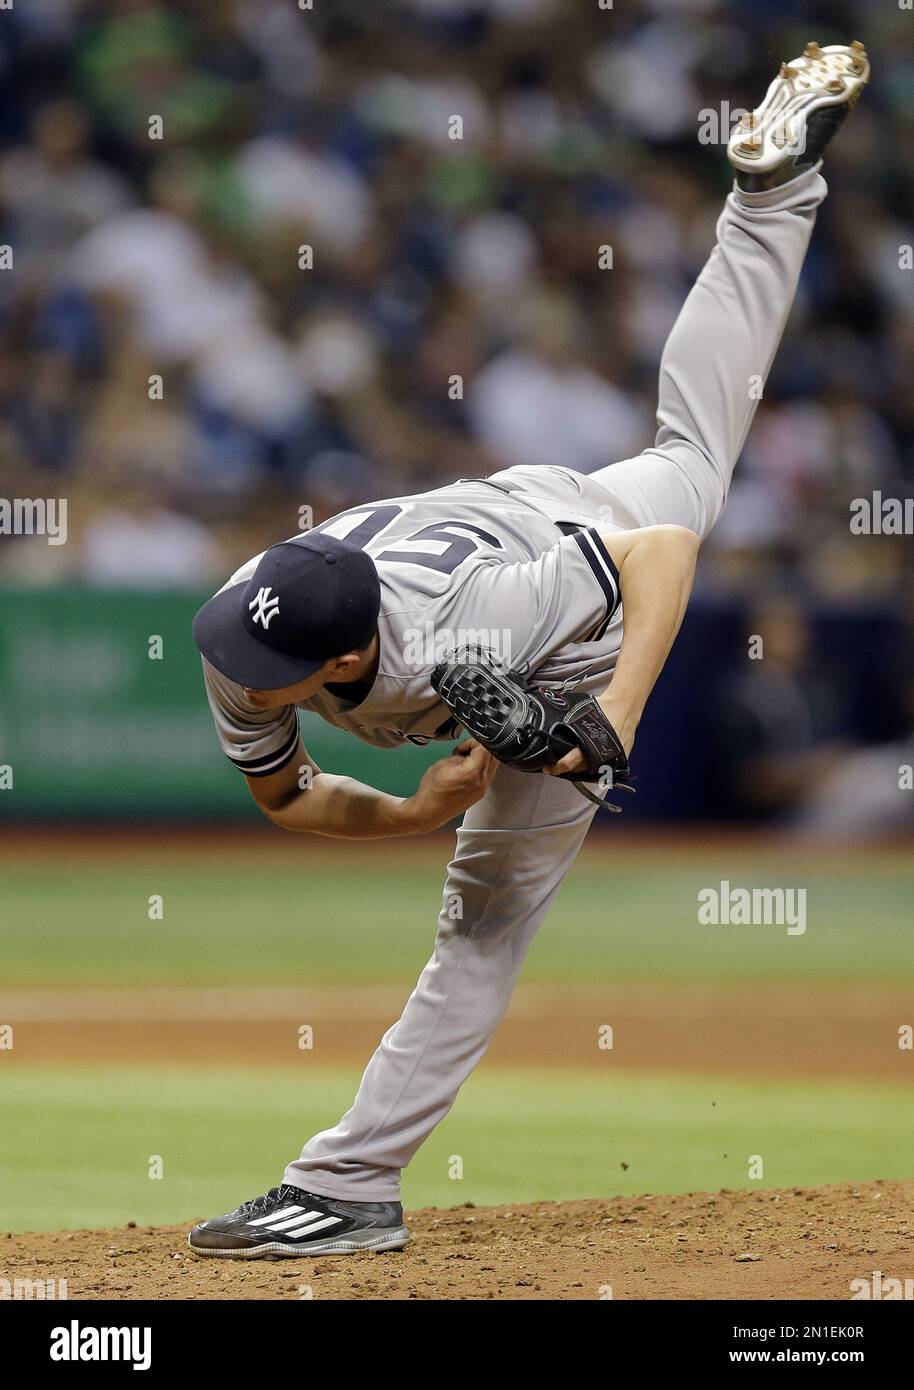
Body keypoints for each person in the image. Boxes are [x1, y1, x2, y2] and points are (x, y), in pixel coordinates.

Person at [188, 45, 869, 1258]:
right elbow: (286, 794)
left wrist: (608, 716)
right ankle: (771, 196)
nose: (240, 662)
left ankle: (348, 1185)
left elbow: (658, 556)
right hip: (526, 512)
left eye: (265, 660)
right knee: (693, 436)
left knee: (481, 921)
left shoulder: (454, 631)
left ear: (339, 664)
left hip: (577, 567)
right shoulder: (253, 619)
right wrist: (417, 805)